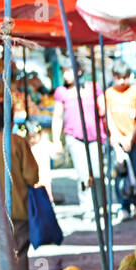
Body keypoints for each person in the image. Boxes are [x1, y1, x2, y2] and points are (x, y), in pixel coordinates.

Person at [0, 101, 40, 270]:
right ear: (9, 118)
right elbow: (32, 176)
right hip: (16, 210)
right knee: (18, 254)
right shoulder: (16, 143)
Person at [50, 68, 103, 205]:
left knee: (97, 173)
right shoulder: (62, 92)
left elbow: (103, 110)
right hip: (75, 137)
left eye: (69, 71)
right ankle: (87, 206)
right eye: (65, 72)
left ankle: (100, 204)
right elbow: (58, 117)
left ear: (79, 71)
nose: (66, 75)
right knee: (83, 174)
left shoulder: (93, 87)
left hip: (95, 137)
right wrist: (56, 140)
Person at [104, 62, 136, 219]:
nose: (122, 82)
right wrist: (117, 137)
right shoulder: (109, 93)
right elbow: (108, 116)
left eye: (125, 78)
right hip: (116, 142)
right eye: (119, 78)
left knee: (135, 172)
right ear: (114, 77)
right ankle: (124, 206)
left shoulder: (134, 93)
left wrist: (130, 137)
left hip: (134, 141)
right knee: (120, 174)